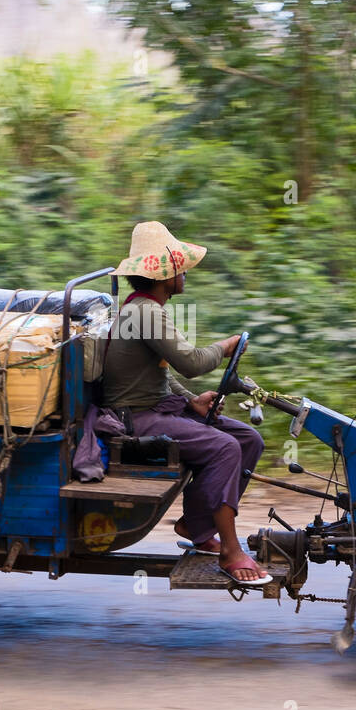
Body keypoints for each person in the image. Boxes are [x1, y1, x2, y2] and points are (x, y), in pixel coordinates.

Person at [102, 221, 271, 586]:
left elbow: (161, 374)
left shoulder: (143, 308)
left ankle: (195, 524)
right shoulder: (144, 312)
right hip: (137, 419)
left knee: (248, 440)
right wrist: (226, 346)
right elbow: (192, 363)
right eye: (180, 268)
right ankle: (230, 550)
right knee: (226, 448)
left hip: (158, 407)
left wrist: (192, 403)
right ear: (165, 274)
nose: (185, 274)